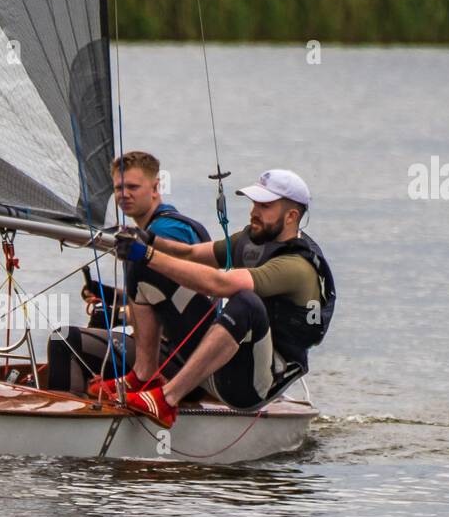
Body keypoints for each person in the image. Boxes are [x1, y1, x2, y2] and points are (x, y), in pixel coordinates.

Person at [112, 169, 335, 427]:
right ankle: (143, 376)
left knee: (246, 302)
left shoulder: (297, 266)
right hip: (223, 362)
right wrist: (149, 240)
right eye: (254, 204)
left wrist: (147, 254)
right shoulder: (251, 240)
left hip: (250, 386)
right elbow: (190, 253)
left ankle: (165, 400)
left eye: (265, 206)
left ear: (291, 216)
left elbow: (221, 284)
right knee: (143, 269)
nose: (254, 212)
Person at [45, 151, 211, 395]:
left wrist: (119, 316)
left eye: (133, 187)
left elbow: (171, 311)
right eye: (119, 188)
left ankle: (70, 424)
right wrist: (112, 298)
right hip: (175, 354)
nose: (124, 195)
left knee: (65, 340)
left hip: (182, 362)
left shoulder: (167, 232)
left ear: (155, 187)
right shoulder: (164, 227)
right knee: (84, 346)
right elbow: (163, 297)